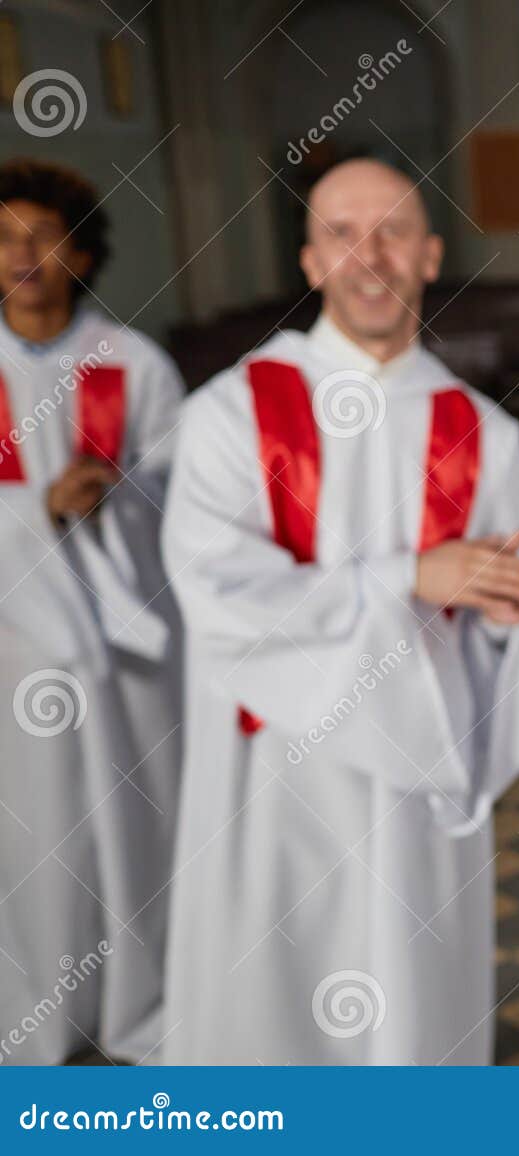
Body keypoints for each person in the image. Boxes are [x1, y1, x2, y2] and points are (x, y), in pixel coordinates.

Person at [159, 159, 519, 1063]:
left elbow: (505, 588)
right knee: (271, 1004)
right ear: (309, 263)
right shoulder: (230, 412)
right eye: (343, 232)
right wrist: (406, 577)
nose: (367, 254)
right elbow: (215, 586)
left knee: (410, 1000)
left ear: (429, 255)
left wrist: (513, 610)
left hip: (416, 769)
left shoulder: (481, 431)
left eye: (391, 232)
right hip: (273, 772)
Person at [0, 159, 184, 1064]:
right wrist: (36, 511)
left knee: (127, 817)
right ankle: (34, 1004)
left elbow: (188, 497)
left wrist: (117, 495)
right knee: (28, 828)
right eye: (5, 237)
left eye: (46, 235)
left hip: (120, 651)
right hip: (13, 652)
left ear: (84, 250)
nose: (24, 254)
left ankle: (133, 999)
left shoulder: (132, 365)